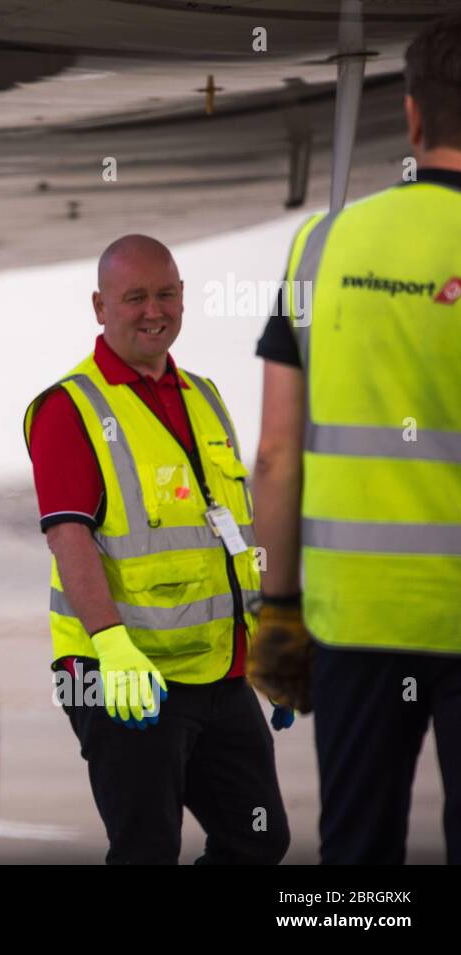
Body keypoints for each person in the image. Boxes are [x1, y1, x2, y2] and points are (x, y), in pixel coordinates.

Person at [248, 13, 461, 865]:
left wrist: (279, 605)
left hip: (354, 615)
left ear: (411, 118)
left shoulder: (323, 244)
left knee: (356, 857)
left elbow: (274, 453)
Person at [23, 234, 290, 864]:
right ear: (99, 306)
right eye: (135, 297)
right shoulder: (70, 407)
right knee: (145, 850)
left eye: (166, 294)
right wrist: (111, 646)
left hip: (217, 672)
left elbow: (232, 535)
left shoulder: (205, 396)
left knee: (259, 841)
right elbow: (69, 535)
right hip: (120, 678)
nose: (153, 310)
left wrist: (266, 642)